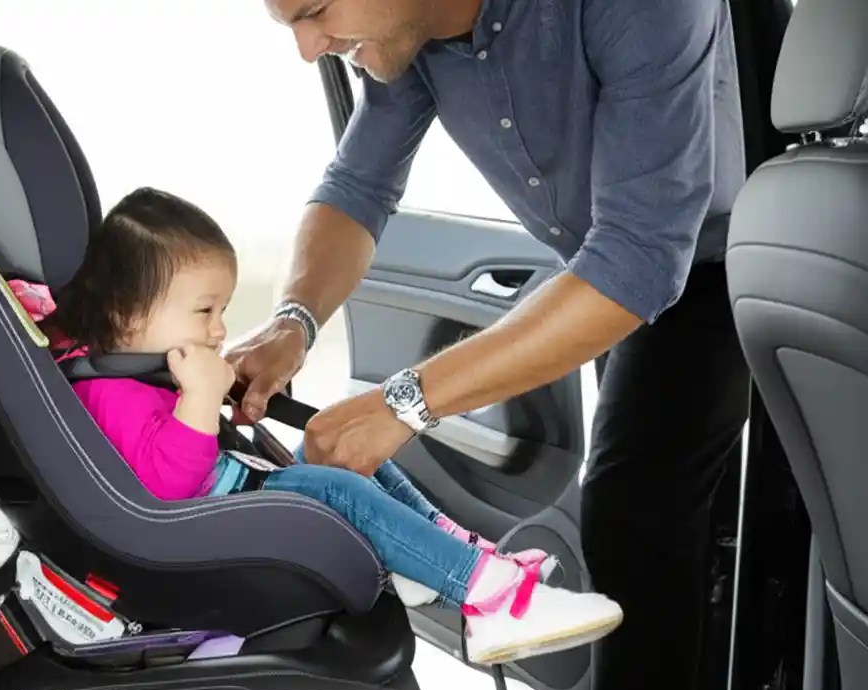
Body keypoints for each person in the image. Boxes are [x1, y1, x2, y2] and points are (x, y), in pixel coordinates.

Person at [232, 1, 751, 690]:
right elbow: (359, 186)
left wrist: (404, 401)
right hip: (601, 266)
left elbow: (638, 261)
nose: (306, 47)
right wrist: (295, 323)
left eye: (314, 10)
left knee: (632, 517)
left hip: (718, 267)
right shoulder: (405, 31)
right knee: (649, 522)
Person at [37, 186, 622, 665]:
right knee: (334, 488)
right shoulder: (105, 389)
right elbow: (167, 487)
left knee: (357, 456)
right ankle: (491, 601)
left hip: (227, 500)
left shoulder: (136, 370)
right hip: (199, 531)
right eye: (204, 311)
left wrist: (209, 398)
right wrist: (198, 399)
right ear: (125, 313)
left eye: (221, 310)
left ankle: (452, 560)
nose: (220, 330)